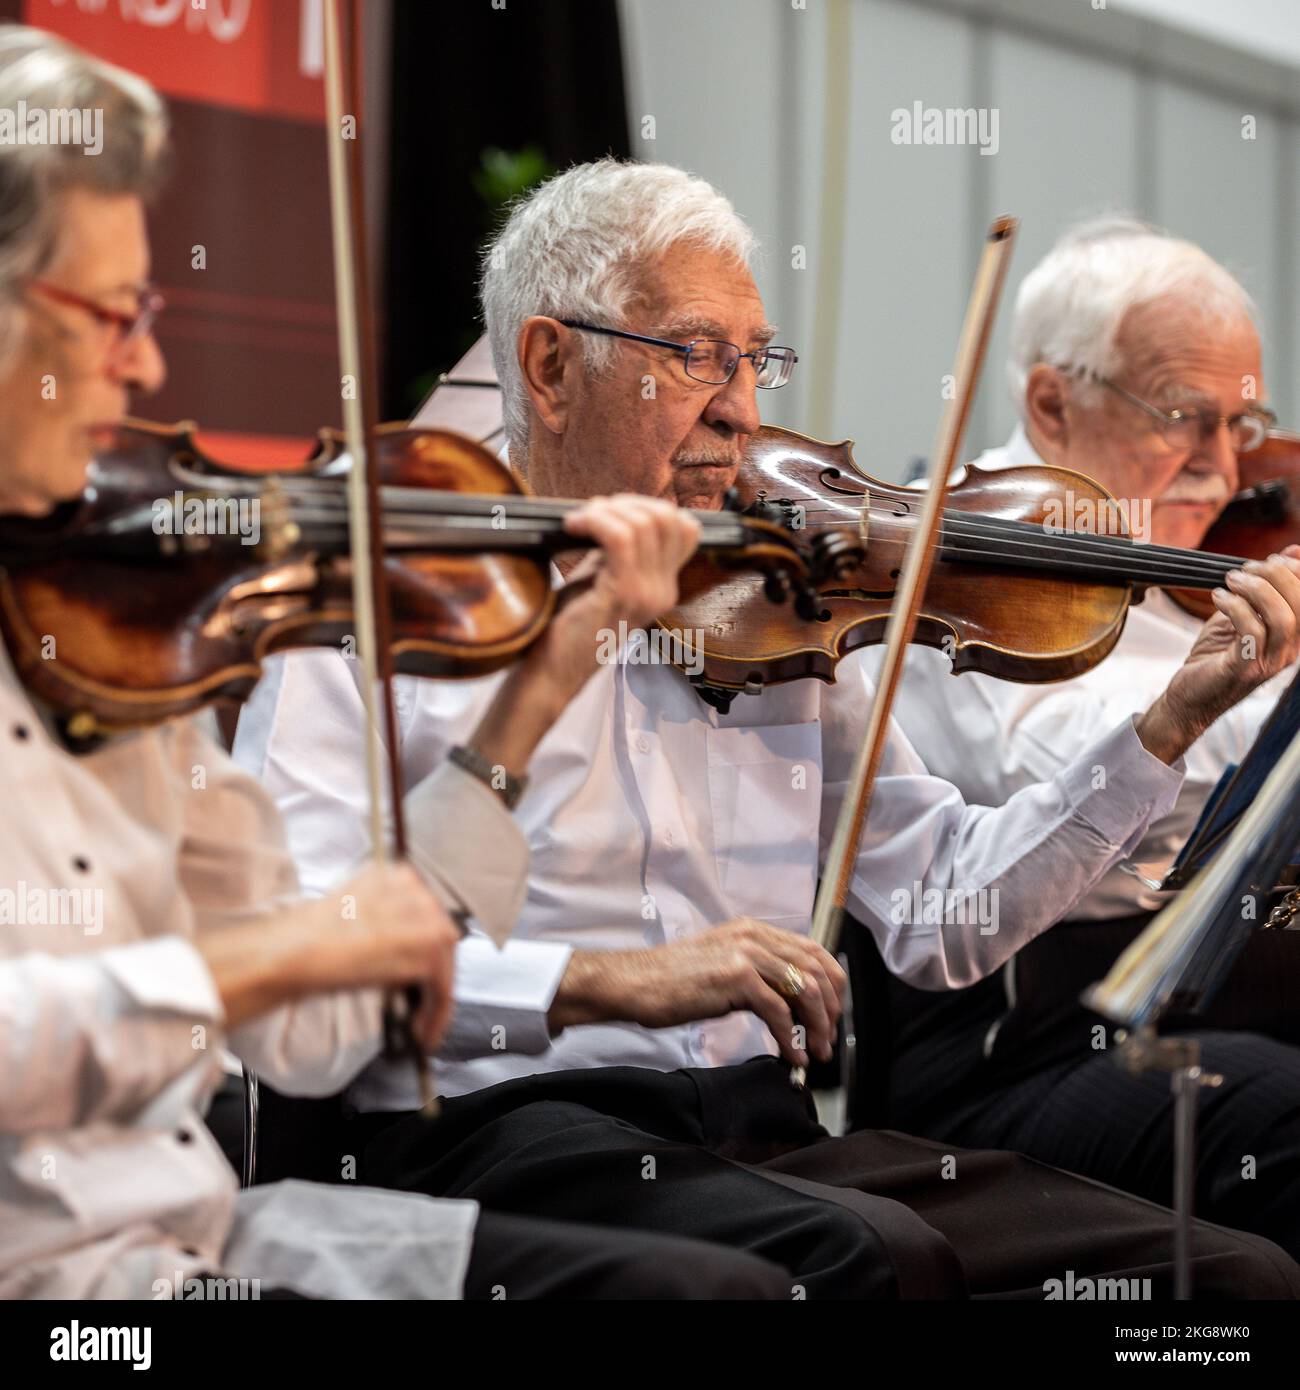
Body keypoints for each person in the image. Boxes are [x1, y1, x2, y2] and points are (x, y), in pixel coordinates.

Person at [236, 161, 1300, 1298]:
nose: (741, 408)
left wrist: (1165, 724)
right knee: (863, 1257)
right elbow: (308, 969)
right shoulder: (375, 603)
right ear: (550, 366)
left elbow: (946, 913)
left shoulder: (780, 600)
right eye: (696, 355)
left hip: (757, 1139)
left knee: (1227, 1282)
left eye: (756, 358)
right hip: (491, 1127)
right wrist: (606, 978)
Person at [0, 25, 789, 1301]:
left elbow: (314, 1045)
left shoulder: (120, 645)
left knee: (713, 1293)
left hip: (208, 1254)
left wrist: (535, 695)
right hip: (65, 1309)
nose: (144, 365)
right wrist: (275, 957)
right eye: (102, 315)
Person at [857, 217, 1300, 1262]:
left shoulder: (1195, 552)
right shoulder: (956, 557)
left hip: (1217, 996)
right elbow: (1045, 763)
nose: (1226, 466)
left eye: (1244, 422)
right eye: (1186, 416)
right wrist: (1263, 700)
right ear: (1052, 399)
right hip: (1017, 1043)